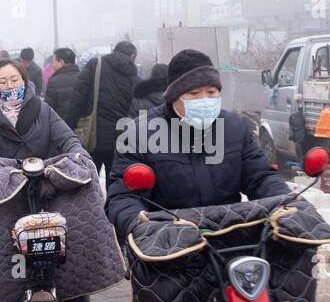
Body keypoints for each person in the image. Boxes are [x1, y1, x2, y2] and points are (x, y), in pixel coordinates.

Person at [0, 59, 114, 302]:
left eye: (14, 80)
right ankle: (13, 299)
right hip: (10, 195)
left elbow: (68, 140)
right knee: (3, 251)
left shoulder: (43, 109)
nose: (9, 86)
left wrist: (78, 157)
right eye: (2, 82)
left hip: (48, 189)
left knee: (69, 249)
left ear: (24, 80)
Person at [107, 49, 289, 241]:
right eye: (194, 93)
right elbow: (123, 197)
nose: (204, 100)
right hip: (169, 245)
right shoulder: (140, 134)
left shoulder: (235, 128)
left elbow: (261, 177)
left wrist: (285, 204)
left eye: (211, 92)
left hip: (230, 239)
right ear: (173, 97)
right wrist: (139, 224)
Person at [67, 39, 139, 177]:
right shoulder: (133, 74)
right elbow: (135, 107)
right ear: (132, 56)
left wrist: (68, 129)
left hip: (93, 137)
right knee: (115, 182)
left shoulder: (96, 64)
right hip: (121, 138)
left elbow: (77, 99)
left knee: (89, 180)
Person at [44, 47, 80, 127]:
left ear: (61, 62)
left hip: (62, 128)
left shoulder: (54, 82)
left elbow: (49, 110)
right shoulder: (83, 77)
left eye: (54, 62)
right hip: (81, 128)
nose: (53, 65)